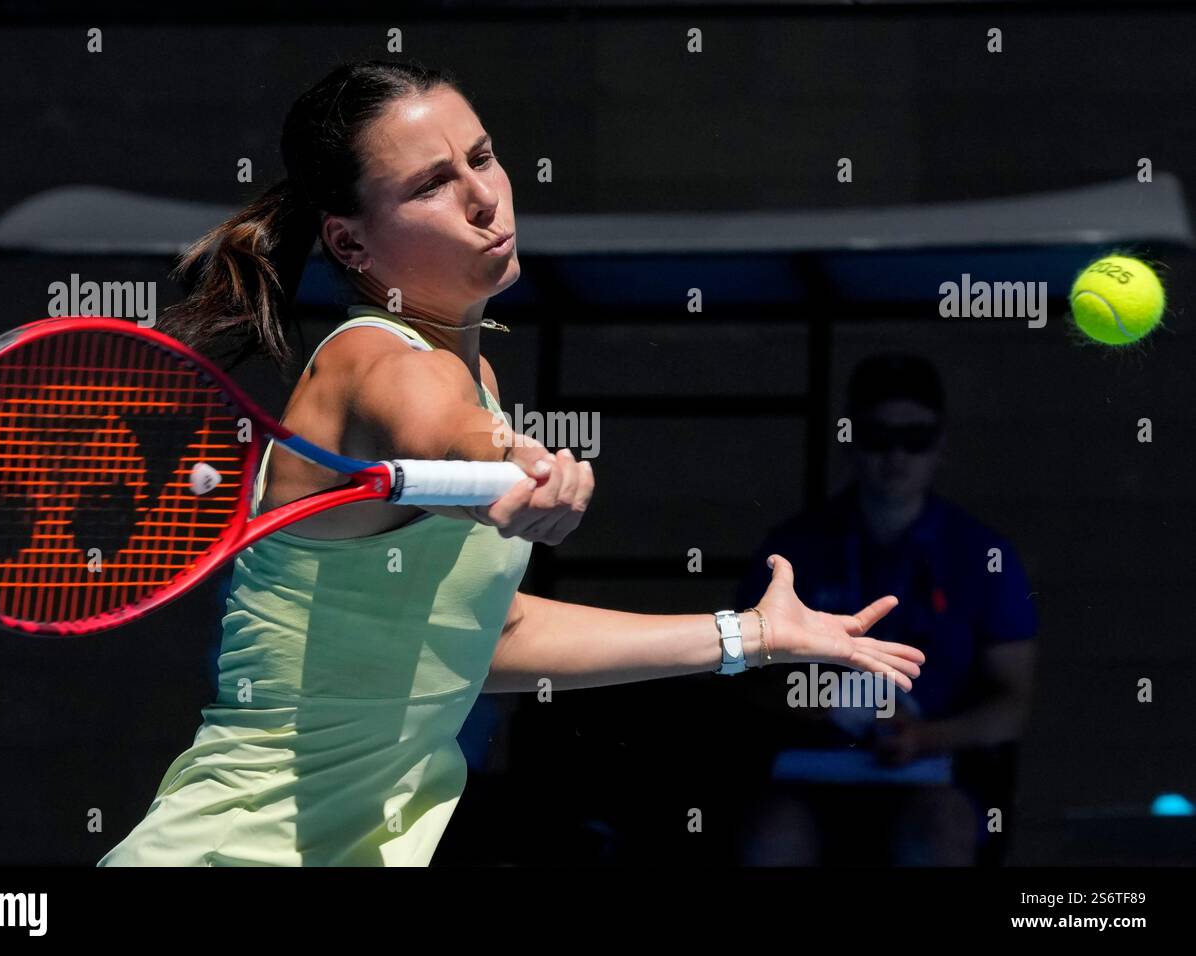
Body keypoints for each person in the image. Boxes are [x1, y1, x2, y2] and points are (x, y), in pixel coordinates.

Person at [97, 59, 923, 866]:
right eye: (430, 185)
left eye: (482, 157)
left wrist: (749, 635)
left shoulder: (472, 373)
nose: (484, 196)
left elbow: (487, 639)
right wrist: (510, 466)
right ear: (349, 242)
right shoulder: (376, 364)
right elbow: (449, 436)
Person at [734, 354, 1038, 866]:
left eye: (914, 439)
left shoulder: (983, 553)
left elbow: (1013, 706)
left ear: (939, 442)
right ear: (851, 440)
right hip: (812, 769)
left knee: (938, 833)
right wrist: (833, 706)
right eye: (878, 437)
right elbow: (744, 679)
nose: (896, 456)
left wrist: (923, 737)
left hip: (935, 772)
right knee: (772, 837)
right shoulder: (796, 545)